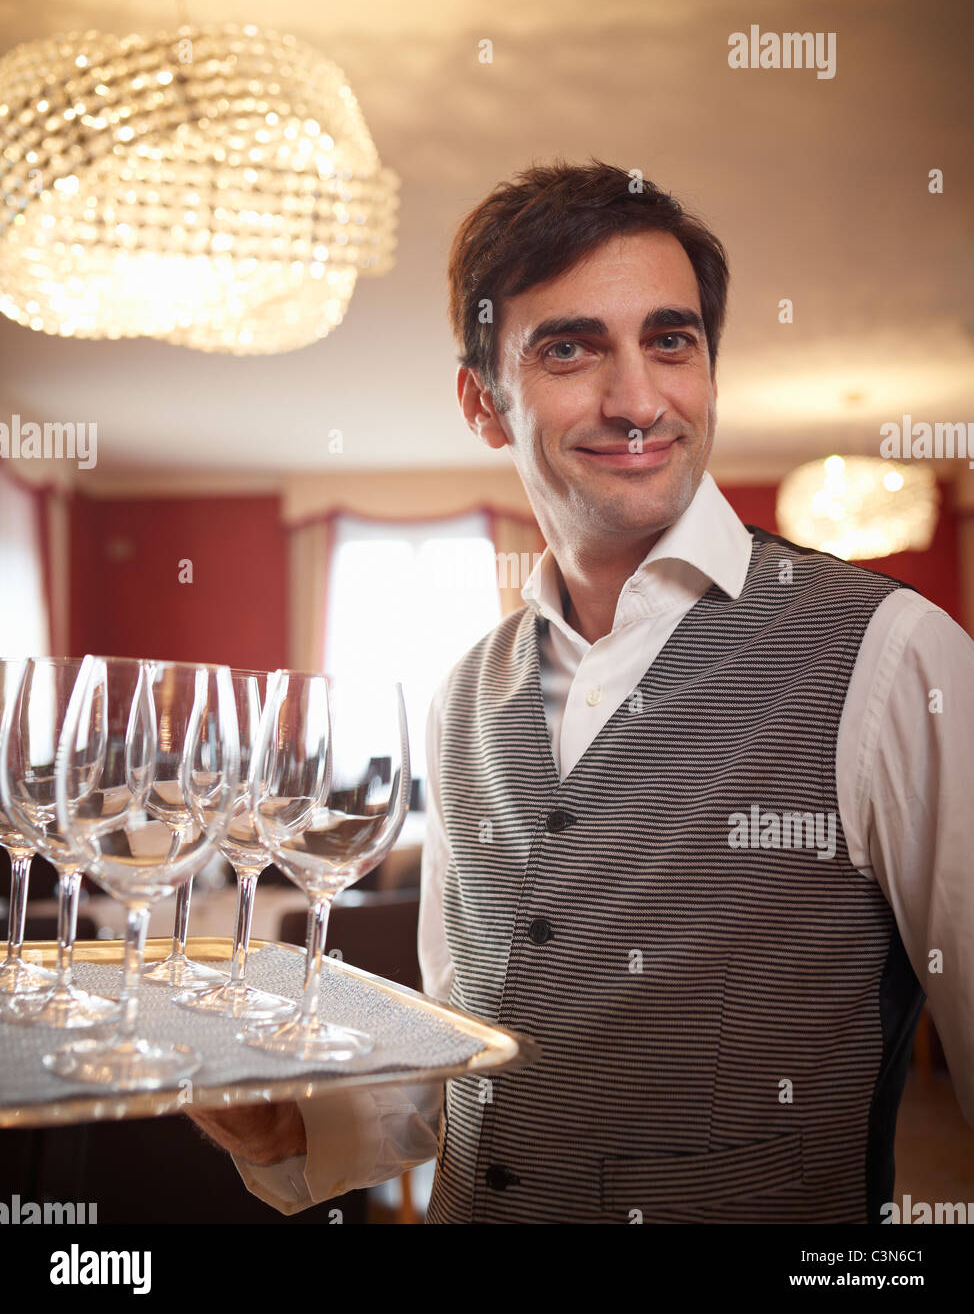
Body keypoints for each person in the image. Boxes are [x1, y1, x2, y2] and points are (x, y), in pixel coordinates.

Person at [190, 158, 974, 1223]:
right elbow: (463, 1047)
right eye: (569, 348)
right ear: (483, 404)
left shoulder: (893, 654)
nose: (636, 398)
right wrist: (298, 1132)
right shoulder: (462, 694)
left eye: (670, 340)